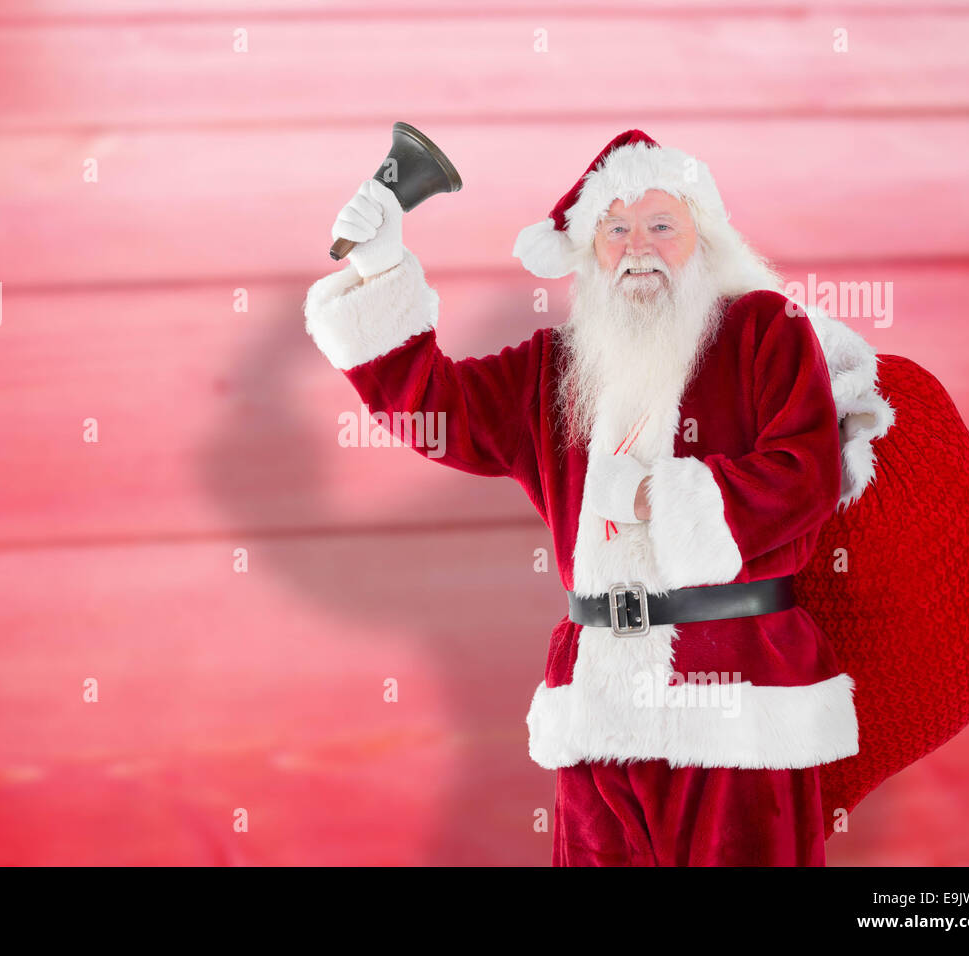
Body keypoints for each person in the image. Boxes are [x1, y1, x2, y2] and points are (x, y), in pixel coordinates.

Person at [302, 129, 894, 866]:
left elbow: (805, 473)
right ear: (590, 250)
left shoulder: (765, 330)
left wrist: (660, 498)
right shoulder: (557, 371)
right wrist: (382, 264)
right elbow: (436, 411)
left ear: (703, 239)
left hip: (740, 707)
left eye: (661, 225)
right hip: (598, 709)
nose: (636, 246)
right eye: (615, 228)